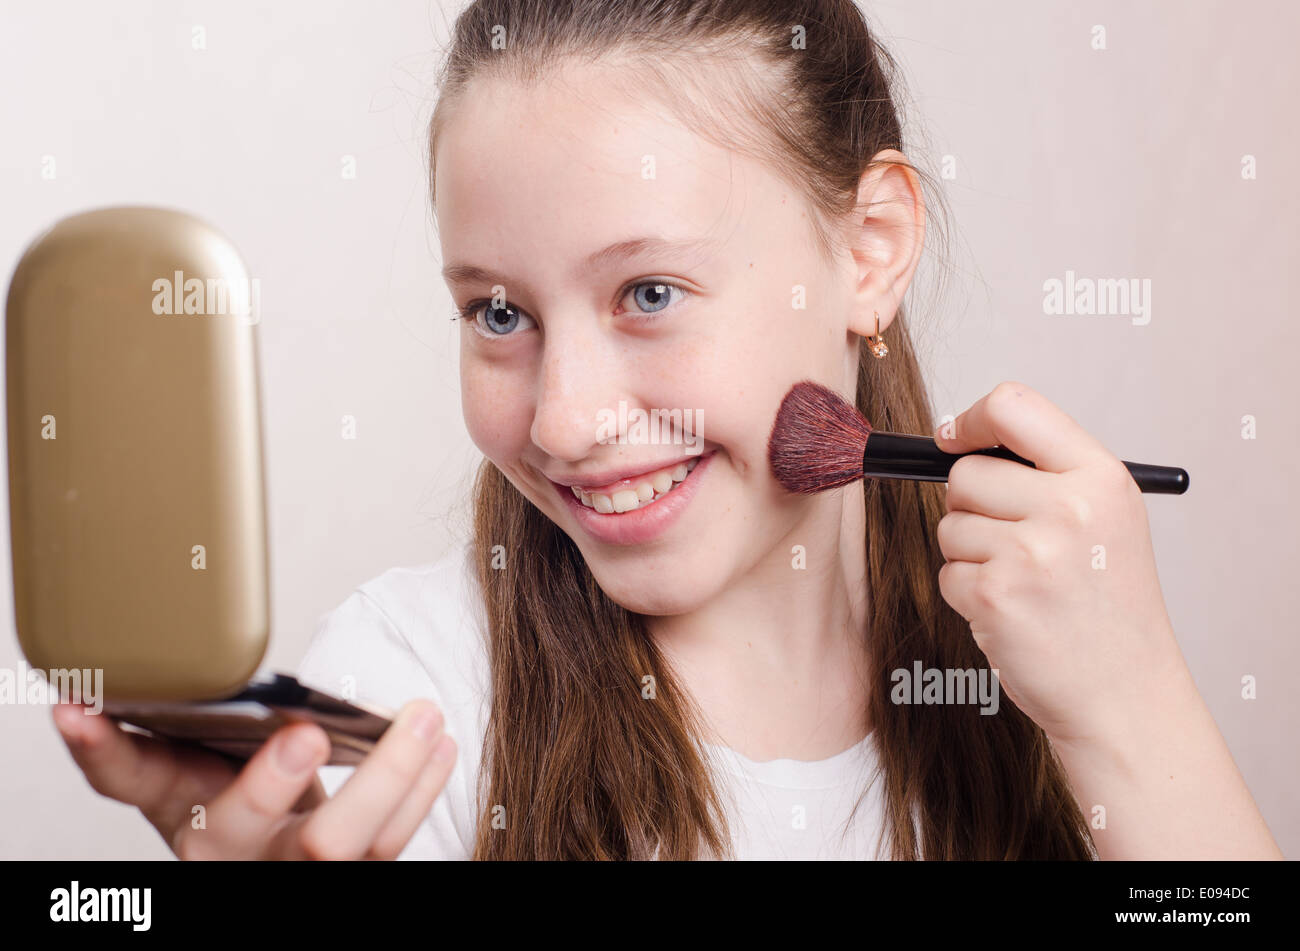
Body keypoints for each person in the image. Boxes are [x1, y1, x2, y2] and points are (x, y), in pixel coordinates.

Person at [53, 0, 1282, 860]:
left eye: (648, 294)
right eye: (497, 311)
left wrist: (1132, 708)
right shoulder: (409, 697)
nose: (567, 419)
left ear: (866, 253)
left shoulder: (1053, 666)